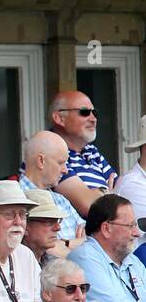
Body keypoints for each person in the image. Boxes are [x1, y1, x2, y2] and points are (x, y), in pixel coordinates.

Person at [68, 194, 146, 302]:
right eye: (130, 226)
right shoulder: (85, 257)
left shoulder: (132, 261)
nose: (137, 233)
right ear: (106, 228)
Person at [48, 90, 117, 218]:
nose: (93, 119)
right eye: (84, 112)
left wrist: (101, 195)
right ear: (59, 118)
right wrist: (107, 192)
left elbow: (122, 195)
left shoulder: (92, 151)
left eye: (94, 113)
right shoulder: (49, 151)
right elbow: (90, 206)